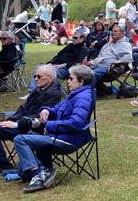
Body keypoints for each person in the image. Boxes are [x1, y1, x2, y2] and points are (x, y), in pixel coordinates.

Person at [13, 65, 96, 193]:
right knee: (22, 171)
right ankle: (44, 170)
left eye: (71, 78)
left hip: (70, 139)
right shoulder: (75, 94)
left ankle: (39, 174)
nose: (67, 81)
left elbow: (76, 123)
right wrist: (46, 110)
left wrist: (49, 125)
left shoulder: (83, 97)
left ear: (81, 81)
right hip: (61, 135)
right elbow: (57, 108)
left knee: (20, 139)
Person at [0, 64, 64, 176]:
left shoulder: (53, 93)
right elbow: (23, 108)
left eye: (39, 77)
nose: (35, 79)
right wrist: (11, 119)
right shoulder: (38, 90)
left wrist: (16, 123)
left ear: (50, 78)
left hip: (32, 128)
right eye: (35, 76)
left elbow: (39, 117)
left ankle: (1, 164)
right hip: (22, 122)